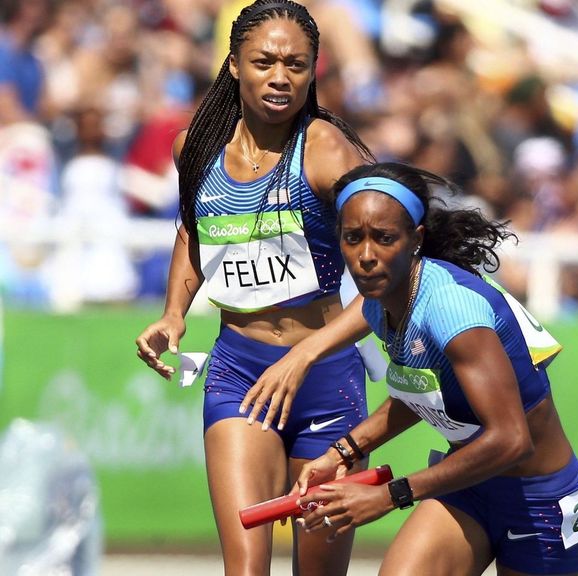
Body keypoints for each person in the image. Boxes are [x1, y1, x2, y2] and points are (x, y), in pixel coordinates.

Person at [134, 2, 376, 574]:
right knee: (245, 568)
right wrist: (174, 312)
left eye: (296, 64)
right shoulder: (194, 148)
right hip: (239, 374)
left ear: (312, 71)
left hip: (325, 378)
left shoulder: (326, 151)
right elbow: (195, 230)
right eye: (264, 61)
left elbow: (389, 277)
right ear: (235, 64)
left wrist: (305, 355)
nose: (280, 77)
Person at [287, 162, 578, 575]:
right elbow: (420, 392)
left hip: (542, 506)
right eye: (353, 238)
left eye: (384, 238)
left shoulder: (448, 308)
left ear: (415, 239)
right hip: (470, 489)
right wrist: (342, 452)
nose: (365, 256)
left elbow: (512, 440)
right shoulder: (382, 299)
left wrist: (390, 495)